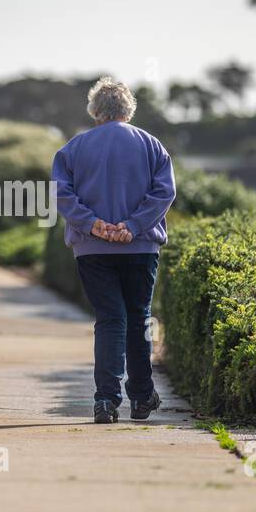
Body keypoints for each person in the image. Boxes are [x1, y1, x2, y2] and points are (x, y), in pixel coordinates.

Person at [51, 77, 176, 424]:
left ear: (95, 112)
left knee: (109, 320)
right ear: (129, 110)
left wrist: (92, 224)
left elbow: (61, 194)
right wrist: (132, 226)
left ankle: (105, 401)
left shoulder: (73, 148)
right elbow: (164, 193)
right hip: (140, 247)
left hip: (92, 249)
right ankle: (140, 398)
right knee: (138, 320)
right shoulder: (152, 145)